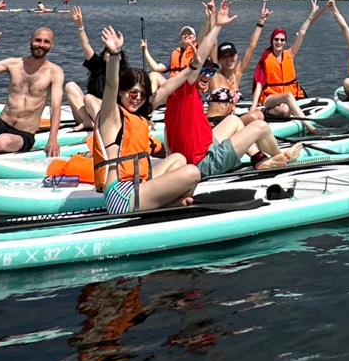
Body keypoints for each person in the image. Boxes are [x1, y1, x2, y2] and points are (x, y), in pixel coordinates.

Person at [93, 19, 297, 216]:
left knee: (179, 159)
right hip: (122, 197)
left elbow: (182, 75)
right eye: (132, 93)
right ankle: (173, 205)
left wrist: (215, 28)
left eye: (142, 94)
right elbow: (111, 85)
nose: (137, 99)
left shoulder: (143, 111)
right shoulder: (112, 117)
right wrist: (115, 53)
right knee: (192, 172)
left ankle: (172, 202)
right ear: (121, 93)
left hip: (140, 183)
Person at [0, 24, 64, 160]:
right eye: (38, 40)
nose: (41, 45)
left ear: (51, 46)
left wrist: (53, 139)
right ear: (30, 41)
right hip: (0, 122)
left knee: (1, 143)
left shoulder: (55, 72)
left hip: (24, 133)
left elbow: (56, 107)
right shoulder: (13, 64)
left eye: (46, 42)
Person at [252, 2, 323, 119]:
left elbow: (301, 33)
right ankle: (265, 110)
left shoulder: (290, 54)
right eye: (276, 39)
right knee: (284, 109)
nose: (279, 42)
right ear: (272, 40)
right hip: (271, 98)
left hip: (289, 97)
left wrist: (311, 15)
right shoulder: (265, 59)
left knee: (284, 110)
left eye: (282, 40)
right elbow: (259, 84)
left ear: (285, 42)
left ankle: (270, 112)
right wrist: (253, 107)